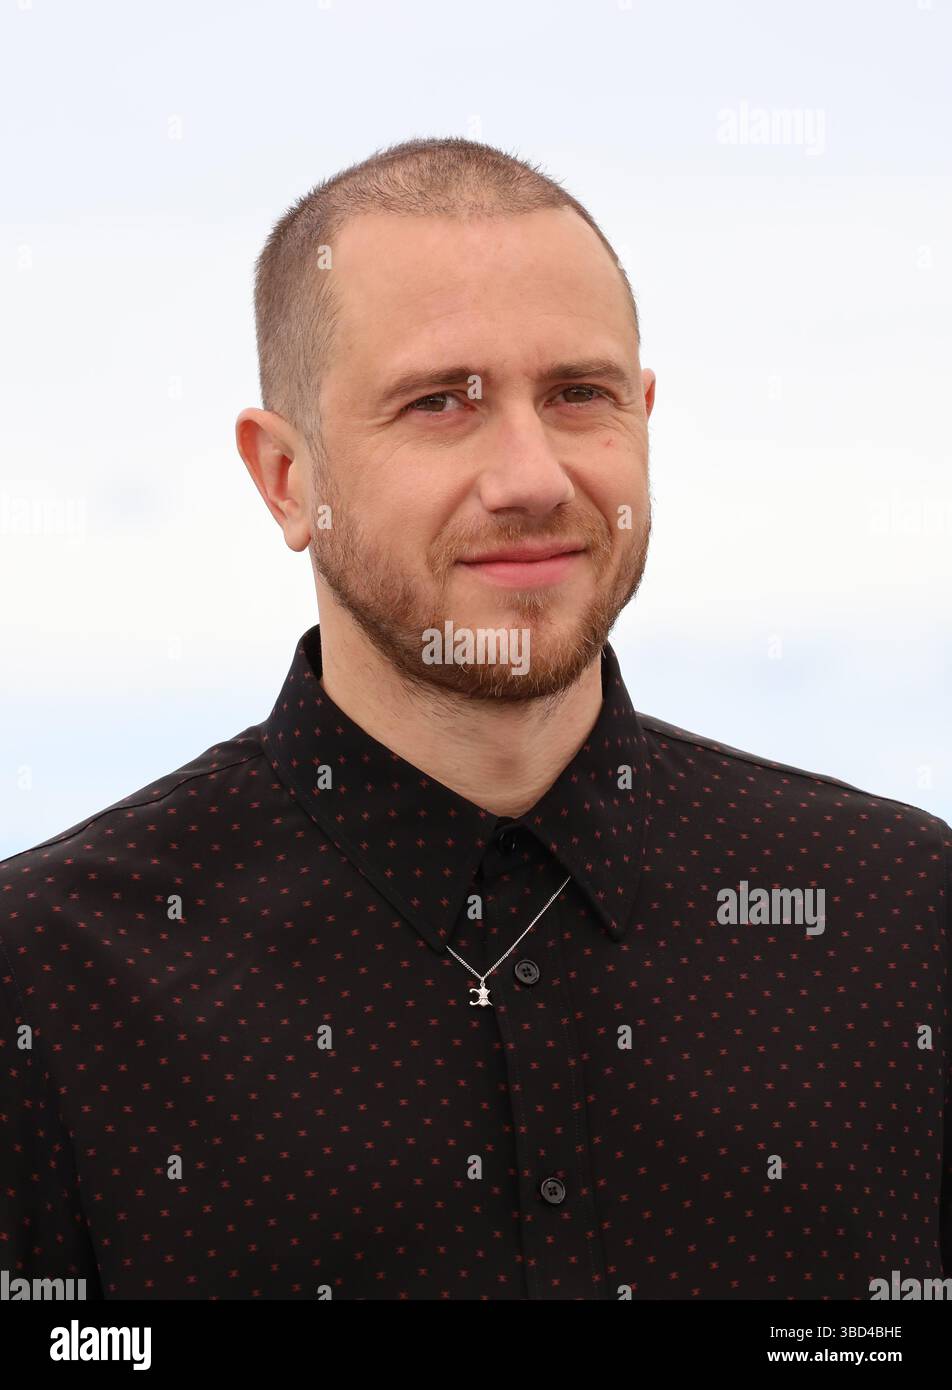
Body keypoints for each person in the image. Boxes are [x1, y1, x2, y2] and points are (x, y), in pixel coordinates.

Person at [1, 137, 948, 1301]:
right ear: (287, 478)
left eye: (578, 395)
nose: (531, 475)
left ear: (643, 420)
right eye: (441, 402)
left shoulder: (903, 915)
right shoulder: (45, 980)